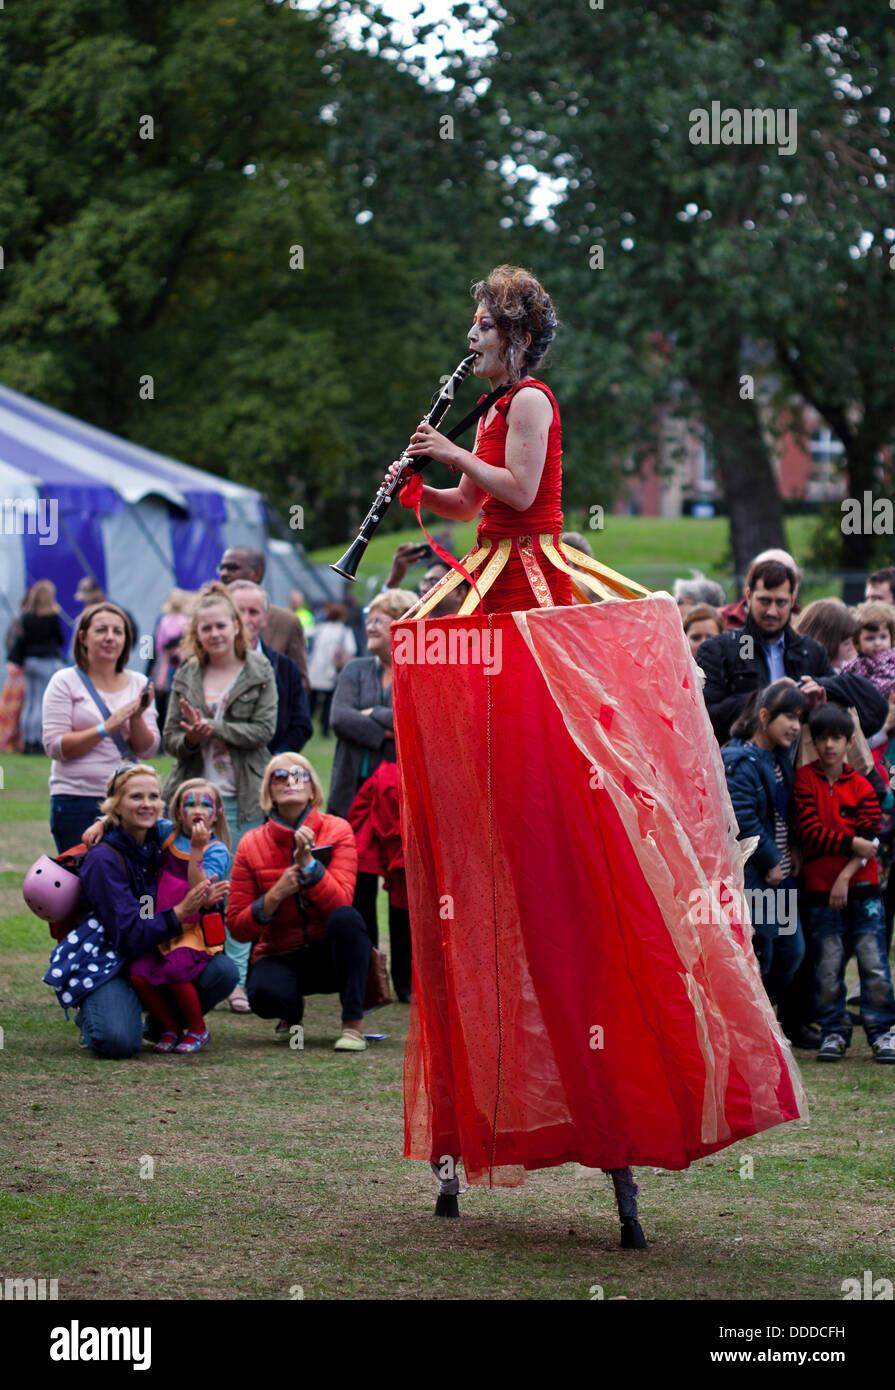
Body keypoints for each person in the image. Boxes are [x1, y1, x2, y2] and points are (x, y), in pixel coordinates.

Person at [380, 265, 804, 1236]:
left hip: (534, 601)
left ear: (516, 333)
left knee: (568, 841)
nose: (471, 335)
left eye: (481, 322)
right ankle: (462, 1146)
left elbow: (522, 492)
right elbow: (471, 509)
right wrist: (421, 484)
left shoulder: (528, 398)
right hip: (489, 591)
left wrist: (453, 450)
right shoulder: (489, 409)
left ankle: (620, 1151)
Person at [162, 582, 277, 1014]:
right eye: (205, 627)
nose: (214, 633)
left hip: (245, 795)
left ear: (236, 627)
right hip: (195, 798)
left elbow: (264, 731)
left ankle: (238, 983)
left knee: (238, 892)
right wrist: (192, 738)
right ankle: (201, 972)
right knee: (201, 889)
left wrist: (216, 728)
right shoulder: (186, 674)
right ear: (196, 632)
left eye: (220, 625)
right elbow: (171, 739)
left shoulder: (259, 670)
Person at [71, 764, 236, 1058]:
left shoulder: (153, 838)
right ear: (117, 806)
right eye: (136, 797)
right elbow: (128, 933)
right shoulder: (104, 858)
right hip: (114, 956)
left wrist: (204, 901)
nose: (146, 804)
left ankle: (165, 1026)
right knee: (118, 1043)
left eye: (153, 796)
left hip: (156, 937)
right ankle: (96, 1013)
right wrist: (180, 911)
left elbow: (180, 896)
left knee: (221, 971)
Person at [227, 752, 372, 1051]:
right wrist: (276, 894)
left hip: (330, 952)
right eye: (280, 776)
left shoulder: (337, 829)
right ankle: (291, 1013)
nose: (290, 781)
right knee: (264, 997)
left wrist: (310, 867)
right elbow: (238, 928)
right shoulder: (250, 844)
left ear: (312, 788)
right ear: (269, 791)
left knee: (348, 918)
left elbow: (342, 902)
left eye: (299, 775)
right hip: (280, 951)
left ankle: (353, 1026)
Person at [793, 705, 895, 1063]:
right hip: (820, 890)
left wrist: (846, 875)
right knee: (828, 963)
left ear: (850, 741)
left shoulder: (864, 786)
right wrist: (852, 844)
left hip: (862, 888)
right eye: (822, 738)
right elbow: (809, 831)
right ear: (815, 742)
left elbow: (872, 836)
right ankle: (833, 1032)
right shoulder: (804, 780)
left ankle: (882, 1032)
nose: (829, 745)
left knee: (873, 960)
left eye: (837, 738)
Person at [695, 560, 888, 746]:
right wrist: (766, 697)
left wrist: (819, 704)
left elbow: (842, 722)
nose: (772, 611)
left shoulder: (811, 650)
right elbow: (704, 719)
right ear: (748, 597)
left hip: (798, 769)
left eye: (780, 602)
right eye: (764, 601)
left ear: (792, 601)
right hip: (741, 767)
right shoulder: (718, 649)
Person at [329, 590, 416, 982]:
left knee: (401, 885)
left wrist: (376, 714)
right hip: (356, 792)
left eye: (380, 620)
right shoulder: (354, 670)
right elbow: (339, 718)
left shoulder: (417, 668)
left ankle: (404, 977)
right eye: (370, 619)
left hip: (401, 799)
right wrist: (385, 730)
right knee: (358, 882)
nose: (371, 626)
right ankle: (364, 973)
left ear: (401, 624)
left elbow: (413, 721)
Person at [722, 683, 808, 1023]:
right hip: (759, 877)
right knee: (765, 954)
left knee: (790, 952)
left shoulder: (776, 758)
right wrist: (773, 859)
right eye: (789, 716)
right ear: (763, 716)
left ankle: (760, 1019)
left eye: (800, 718)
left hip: (779, 879)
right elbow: (742, 818)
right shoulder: (740, 760)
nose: (796, 726)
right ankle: (752, 1023)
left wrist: (792, 850)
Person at [42, 603, 159, 853]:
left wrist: (136, 717)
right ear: (83, 637)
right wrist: (105, 728)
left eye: (118, 631)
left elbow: (148, 750)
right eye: (101, 630)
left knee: (127, 881)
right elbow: (55, 746)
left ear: (127, 640)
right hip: (76, 800)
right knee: (81, 881)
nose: (110, 637)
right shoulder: (64, 682)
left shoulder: (139, 683)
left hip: (129, 803)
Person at [229, 581, 312, 755]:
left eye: (253, 612)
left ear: (265, 619)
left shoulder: (285, 668)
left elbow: (301, 725)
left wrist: (277, 758)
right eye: (239, 611)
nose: (245, 619)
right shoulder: (208, 666)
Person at [217, 546, 309, 689]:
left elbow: (301, 682)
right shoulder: (210, 618)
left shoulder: (286, 622)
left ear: (256, 573)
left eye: (232, 568)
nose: (224, 573)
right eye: (221, 568)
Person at [9, 580, 65, 753]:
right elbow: (60, 639)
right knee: (42, 701)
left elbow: (22, 640)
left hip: (30, 661)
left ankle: (27, 740)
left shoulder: (26, 617)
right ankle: (38, 741)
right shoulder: (52, 617)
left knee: (30, 703)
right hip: (45, 661)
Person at [306, 602, 357, 736]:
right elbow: (351, 649)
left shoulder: (321, 628)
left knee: (311, 701)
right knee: (328, 703)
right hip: (331, 671)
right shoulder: (344, 631)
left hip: (315, 668)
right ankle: (325, 730)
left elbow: (305, 633)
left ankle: (306, 725)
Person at [718, 549, 802, 630]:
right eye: (768, 574)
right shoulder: (720, 619)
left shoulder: (806, 623)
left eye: (789, 577)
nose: (772, 612)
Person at [149, 589, 193, 729]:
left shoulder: (164, 620)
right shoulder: (186, 620)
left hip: (166, 666)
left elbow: (158, 645)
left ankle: (165, 728)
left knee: (165, 699)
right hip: (181, 664)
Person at [0, 601, 27, 752]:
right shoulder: (21, 620)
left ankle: (16, 740)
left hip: (17, 668)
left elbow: (9, 643)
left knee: (17, 707)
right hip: (19, 670)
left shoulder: (19, 619)